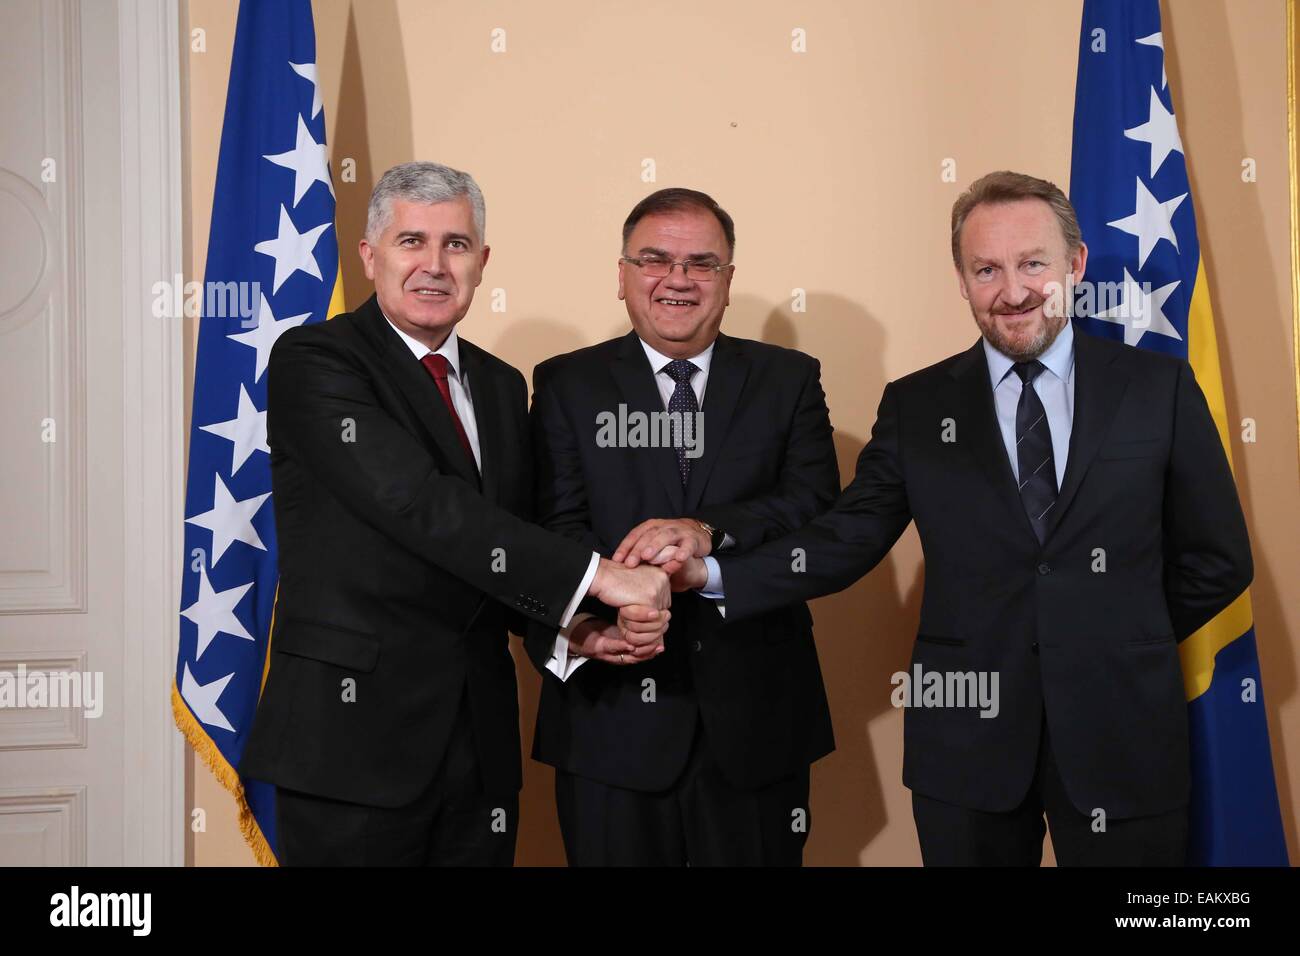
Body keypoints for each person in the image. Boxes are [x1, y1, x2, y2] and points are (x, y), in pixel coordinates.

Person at [668, 171, 1253, 866]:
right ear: (962, 278)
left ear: (1076, 264)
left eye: (1033, 264)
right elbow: (846, 536)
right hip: (966, 750)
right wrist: (709, 571)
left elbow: (1219, 559)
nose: (1012, 292)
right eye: (987, 270)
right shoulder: (917, 407)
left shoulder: (1159, 391)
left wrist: (1120, 635)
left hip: (1123, 736)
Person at [240, 162, 669, 866]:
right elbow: (417, 504)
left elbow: (505, 544)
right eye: (412, 242)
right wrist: (601, 577)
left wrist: (573, 629)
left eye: (456, 245)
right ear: (370, 256)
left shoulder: (501, 388)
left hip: (479, 748)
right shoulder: (316, 361)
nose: (434, 266)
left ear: (482, 263)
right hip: (350, 747)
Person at [524, 188, 840, 865]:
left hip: (759, 726)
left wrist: (710, 530)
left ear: (728, 281)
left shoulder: (788, 379)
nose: (678, 279)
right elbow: (551, 528)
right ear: (622, 274)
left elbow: (816, 509)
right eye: (655, 259)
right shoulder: (563, 385)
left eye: (702, 263)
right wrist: (586, 626)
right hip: (609, 724)